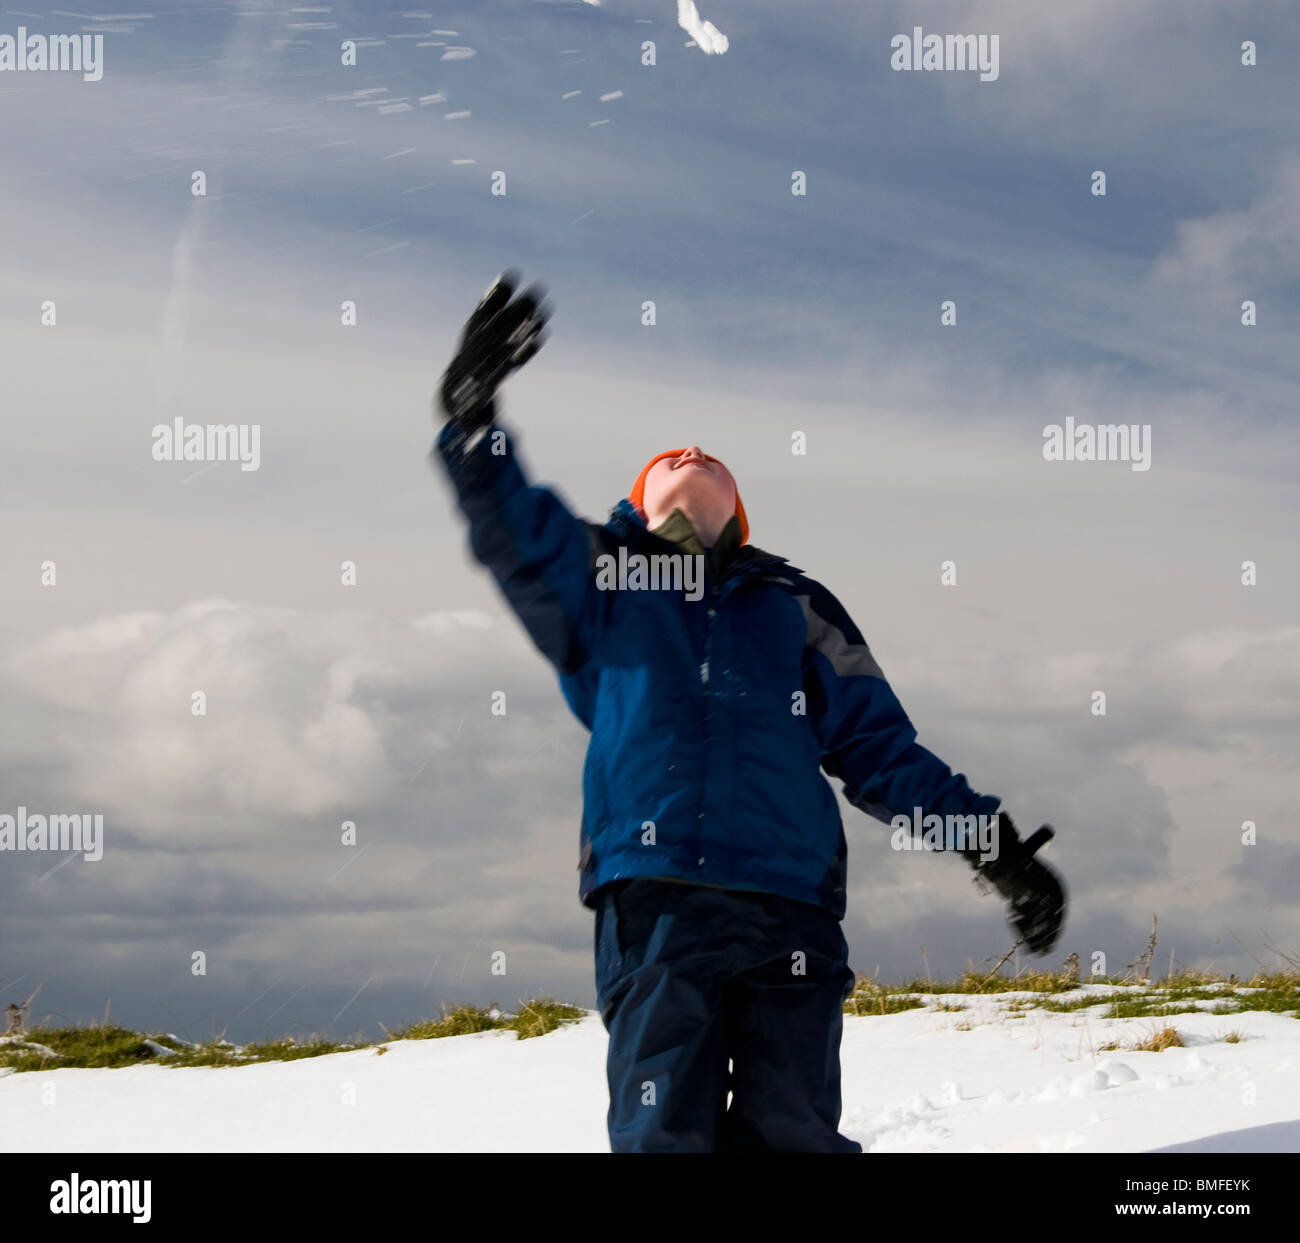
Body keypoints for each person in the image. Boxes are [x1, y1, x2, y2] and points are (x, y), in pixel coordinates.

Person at [431, 271, 1067, 1153]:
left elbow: (881, 752)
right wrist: (472, 424)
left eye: (711, 466)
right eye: (671, 466)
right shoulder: (609, 582)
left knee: (796, 1131)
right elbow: (515, 528)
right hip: (658, 903)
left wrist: (993, 848)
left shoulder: (795, 606)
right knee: (666, 1132)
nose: (691, 460)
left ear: (740, 511)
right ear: (639, 507)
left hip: (790, 906)